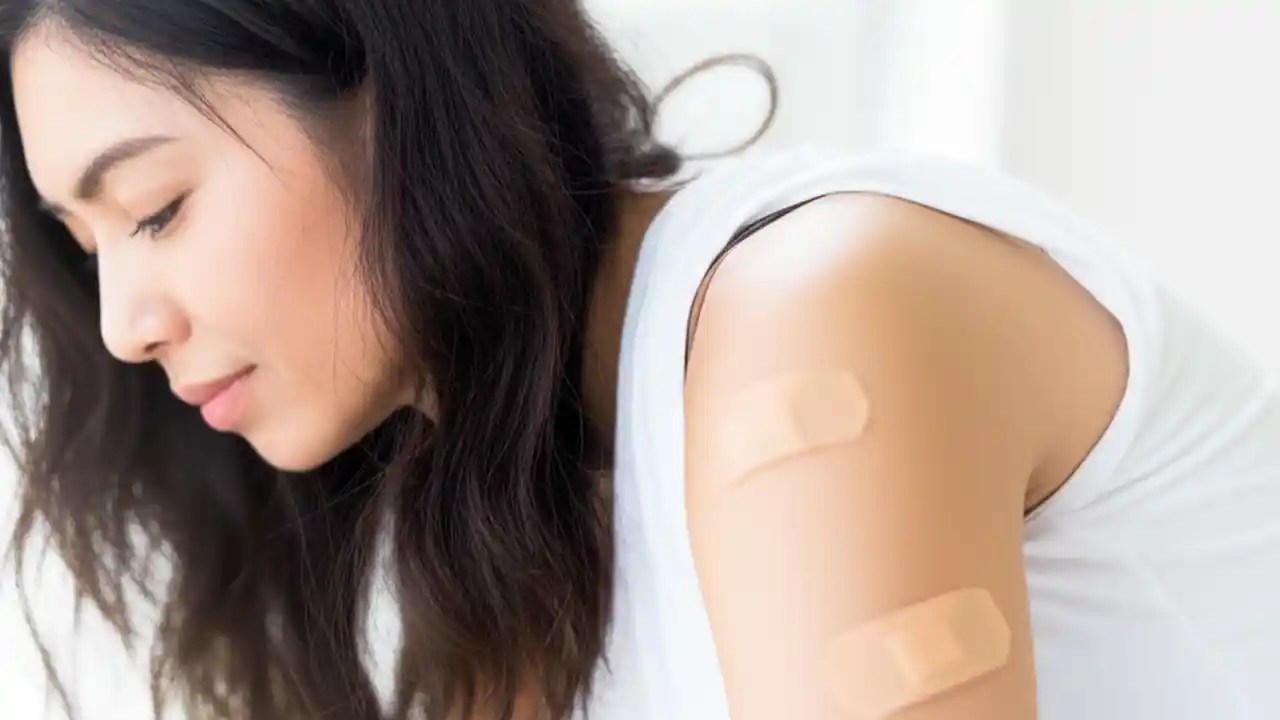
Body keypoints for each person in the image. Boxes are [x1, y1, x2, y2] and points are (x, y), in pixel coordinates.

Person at [2, 2, 1278, 719]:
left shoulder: (819, 319)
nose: (122, 326)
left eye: (157, 208)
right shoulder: (502, 512)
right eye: (88, 247)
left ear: (398, 91)